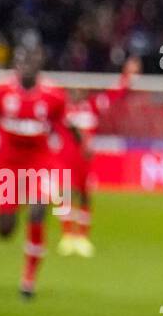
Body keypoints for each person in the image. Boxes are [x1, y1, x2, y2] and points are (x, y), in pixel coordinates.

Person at [0, 41, 68, 298]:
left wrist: (73, 152)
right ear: (17, 65)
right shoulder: (0, 92)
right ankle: (12, 211)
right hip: (8, 164)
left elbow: (64, 127)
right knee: (4, 230)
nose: (27, 66)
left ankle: (28, 280)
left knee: (37, 212)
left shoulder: (54, 96)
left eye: (32, 61)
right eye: (23, 61)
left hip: (40, 161)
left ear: (39, 66)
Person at [55, 55, 141, 257]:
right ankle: (67, 236)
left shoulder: (92, 106)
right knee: (65, 194)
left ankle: (82, 237)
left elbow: (114, 94)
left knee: (85, 195)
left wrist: (128, 75)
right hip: (66, 159)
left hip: (85, 160)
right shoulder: (62, 109)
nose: (77, 91)